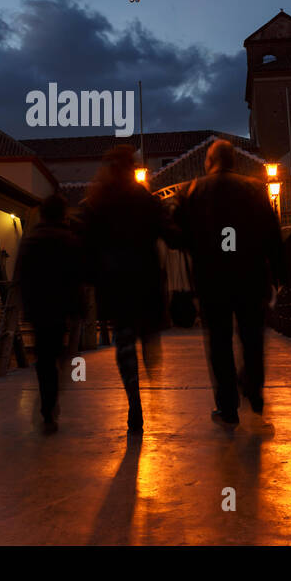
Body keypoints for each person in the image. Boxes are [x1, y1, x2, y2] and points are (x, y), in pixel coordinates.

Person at [173, 140, 282, 427]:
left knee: (219, 341)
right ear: (233, 161)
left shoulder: (192, 190)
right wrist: (280, 275)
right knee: (252, 337)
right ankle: (255, 393)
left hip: (211, 278)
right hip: (250, 275)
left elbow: (177, 234)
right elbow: (273, 234)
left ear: (209, 162)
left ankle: (228, 407)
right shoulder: (255, 189)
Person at [77, 145, 175, 434]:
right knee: (148, 334)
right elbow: (169, 233)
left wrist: (90, 278)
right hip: (145, 279)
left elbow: (86, 245)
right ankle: (152, 372)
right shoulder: (145, 199)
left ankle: (134, 400)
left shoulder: (96, 202)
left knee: (124, 341)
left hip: (114, 282)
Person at [14, 193, 84, 433]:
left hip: (39, 309)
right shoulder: (70, 240)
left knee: (44, 359)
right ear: (62, 214)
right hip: (62, 308)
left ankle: (47, 409)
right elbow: (79, 275)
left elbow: (20, 276)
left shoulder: (30, 240)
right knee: (60, 357)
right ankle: (51, 404)